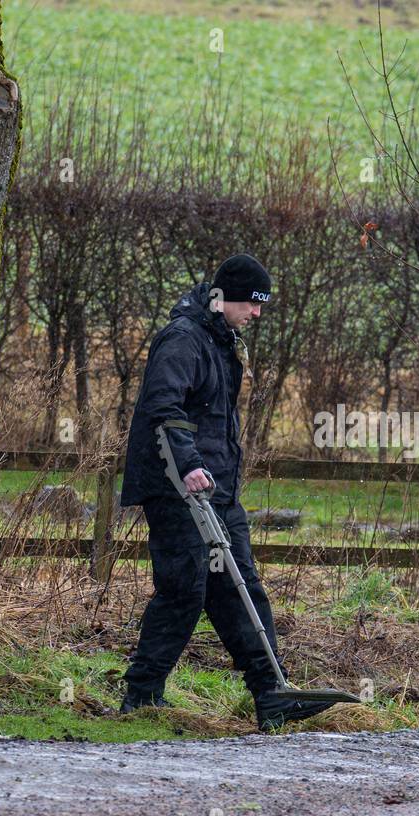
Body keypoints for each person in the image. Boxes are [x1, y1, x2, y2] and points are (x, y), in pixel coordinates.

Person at [118, 254, 337, 731]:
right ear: (222, 299)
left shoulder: (221, 341)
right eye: (251, 305)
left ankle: (271, 692)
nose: (256, 315)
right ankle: (141, 695)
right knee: (184, 588)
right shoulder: (183, 339)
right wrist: (190, 463)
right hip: (178, 487)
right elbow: (163, 405)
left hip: (218, 490)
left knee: (240, 589)